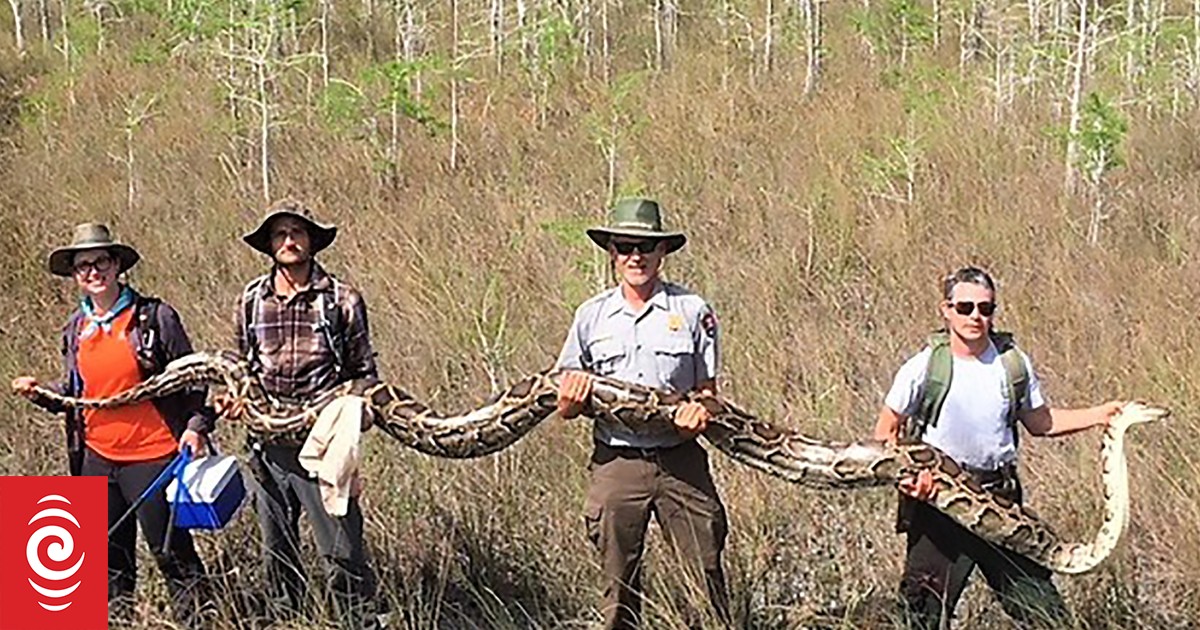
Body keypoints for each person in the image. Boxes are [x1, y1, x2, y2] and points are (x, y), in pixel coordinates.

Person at [873, 266, 1124, 629]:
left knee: (1045, 614)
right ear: (946, 309)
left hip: (1001, 501)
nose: (976, 316)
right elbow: (886, 432)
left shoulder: (1012, 363)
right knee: (920, 617)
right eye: (965, 307)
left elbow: (1040, 422)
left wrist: (1101, 414)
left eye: (985, 308)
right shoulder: (923, 367)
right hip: (938, 506)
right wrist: (911, 482)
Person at [12, 223, 211, 625]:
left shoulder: (154, 317)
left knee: (171, 553)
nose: (92, 271)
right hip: (97, 459)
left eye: (100, 261)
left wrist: (195, 425)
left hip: (154, 456)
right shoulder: (76, 328)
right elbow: (77, 391)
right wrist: (41, 393)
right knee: (108, 561)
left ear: (117, 264)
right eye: (83, 265)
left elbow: (195, 378)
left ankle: (201, 622)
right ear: (74, 275)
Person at [555, 198, 729, 629]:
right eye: (626, 245)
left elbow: (710, 394)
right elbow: (562, 404)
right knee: (618, 587)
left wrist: (699, 414)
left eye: (646, 247)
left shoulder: (692, 310)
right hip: (618, 462)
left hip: (680, 460)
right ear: (612, 252)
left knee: (704, 576)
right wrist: (572, 399)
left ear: (662, 253)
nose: (637, 255)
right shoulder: (591, 316)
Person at [229, 198, 379, 629]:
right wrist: (236, 402)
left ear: (312, 240)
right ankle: (286, 621)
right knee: (277, 553)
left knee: (342, 552)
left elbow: (364, 373)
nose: (289, 241)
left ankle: (356, 622)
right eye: (280, 234)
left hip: (326, 445)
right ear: (270, 244)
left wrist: (356, 425)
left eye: (297, 232)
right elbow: (242, 369)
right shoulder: (251, 300)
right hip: (267, 447)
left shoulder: (342, 299)